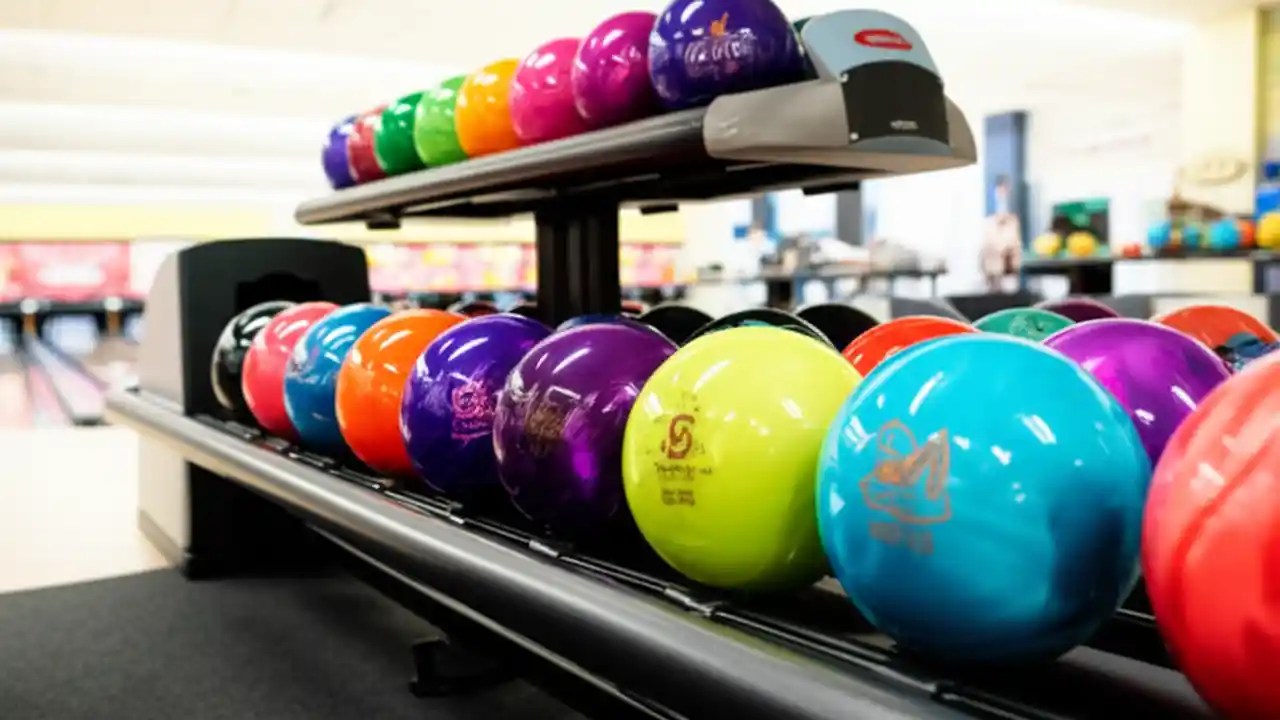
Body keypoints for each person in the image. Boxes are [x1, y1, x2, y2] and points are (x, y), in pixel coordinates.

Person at [981, 176, 1023, 291]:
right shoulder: (989, 219)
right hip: (994, 256)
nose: (1002, 192)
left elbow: (1014, 241)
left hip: (1009, 265)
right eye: (1000, 189)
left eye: (1004, 189)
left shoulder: (1013, 219)